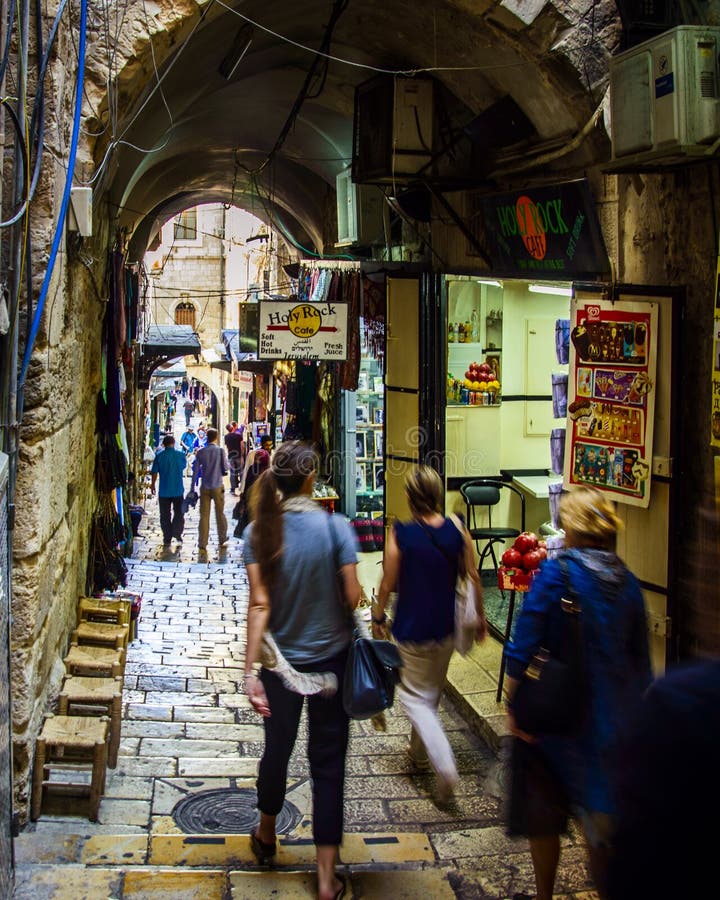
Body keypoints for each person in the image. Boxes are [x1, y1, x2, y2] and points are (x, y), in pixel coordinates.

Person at [503, 487, 652, 900]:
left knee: (545, 817)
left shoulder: (558, 573)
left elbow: (521, 645)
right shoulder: (629, 582)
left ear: (572, 529)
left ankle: (545, 895)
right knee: (600, 826)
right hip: (613, 723)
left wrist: (515, 703)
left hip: (558, 720)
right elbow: (642, 665)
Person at [243, 441, 360, 900]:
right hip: (331, 664)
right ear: (311, 479)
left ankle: (267, 832)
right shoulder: (337, 529)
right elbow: (353, 597)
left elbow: (259, 605)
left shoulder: (259, 533)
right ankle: (327, 879)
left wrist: (250, 671)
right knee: (328, 765)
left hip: (280, 667)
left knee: (277, 751)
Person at [371, 464, 486, 803]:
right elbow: (473, 574)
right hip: (446, 628)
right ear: (437, 494)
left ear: (410, 497)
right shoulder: (457, 528)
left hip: (412, 627)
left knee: (413, 699)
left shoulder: (401, 533)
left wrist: (378, 614)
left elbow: (388, 582)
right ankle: (419, 755)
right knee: (430, 693)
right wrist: (479, 616)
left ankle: (445, 767)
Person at [191, 427, 229, 552]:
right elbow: (225, 468)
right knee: (220, 513)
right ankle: (222, 538)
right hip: (217, 486)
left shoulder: (201, 452)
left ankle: (202, 542)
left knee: (204, 516)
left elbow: (195, 470)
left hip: (205, 486)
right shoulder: (220, 451)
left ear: (207, 437)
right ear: (216, 437)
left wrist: (192, 488)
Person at [150, 434, 187, 546]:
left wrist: (152, 485)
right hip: (177, 489)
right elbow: (183, 467)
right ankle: (177, 533)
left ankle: (167, 536)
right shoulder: (180, 455)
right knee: (179, 513)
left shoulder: (159, 455)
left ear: (164, 444)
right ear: (173, 442)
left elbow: (154, 471)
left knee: (165, 514)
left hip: (164, 490)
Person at [234, 448, 270, 537]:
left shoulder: (253, 468)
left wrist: (243, 498)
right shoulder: (268, 472)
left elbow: (247, 485)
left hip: (251, 502)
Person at [224, 422, 246, 495]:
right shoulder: (238, 436)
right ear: (233, 428)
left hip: (231, 456)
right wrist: (242, 454)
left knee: (232, 473)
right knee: (241, 472)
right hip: (239, 455)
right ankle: (243, 488)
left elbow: (227, 447)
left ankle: (232, 489)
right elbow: (242, 446)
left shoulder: (226, 437)